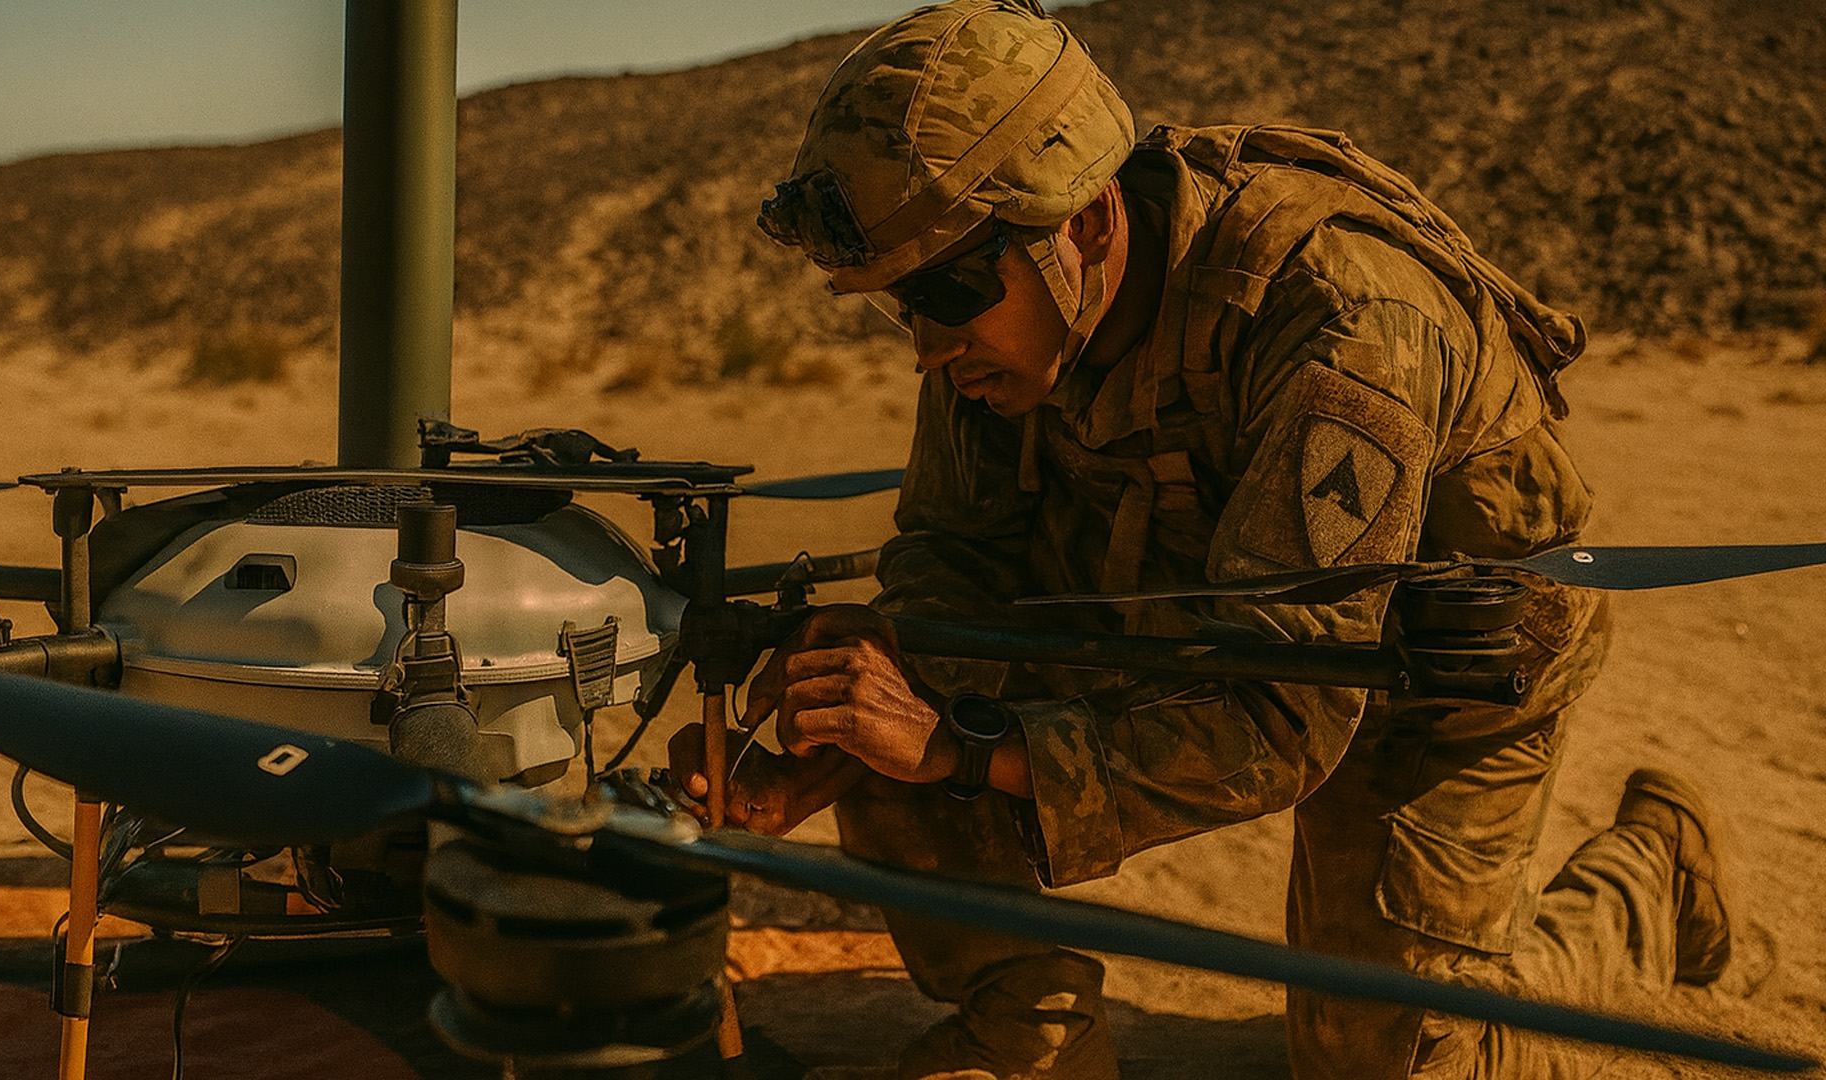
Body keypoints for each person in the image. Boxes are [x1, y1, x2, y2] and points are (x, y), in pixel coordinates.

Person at [668, 1, 1732, 1076]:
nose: (929, 346)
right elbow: (960, 563)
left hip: (1430, 685)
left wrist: (959, 746)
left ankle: (1648, 873)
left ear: (1083, 222)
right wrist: (843, 726)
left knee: (1383, 1061)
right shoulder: (999, 328)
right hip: (1200, 621)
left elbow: (1285, 712)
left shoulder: (1343, 319)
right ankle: (1026, 1035)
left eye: (947, 290)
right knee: (885, 684)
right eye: (901, 306)